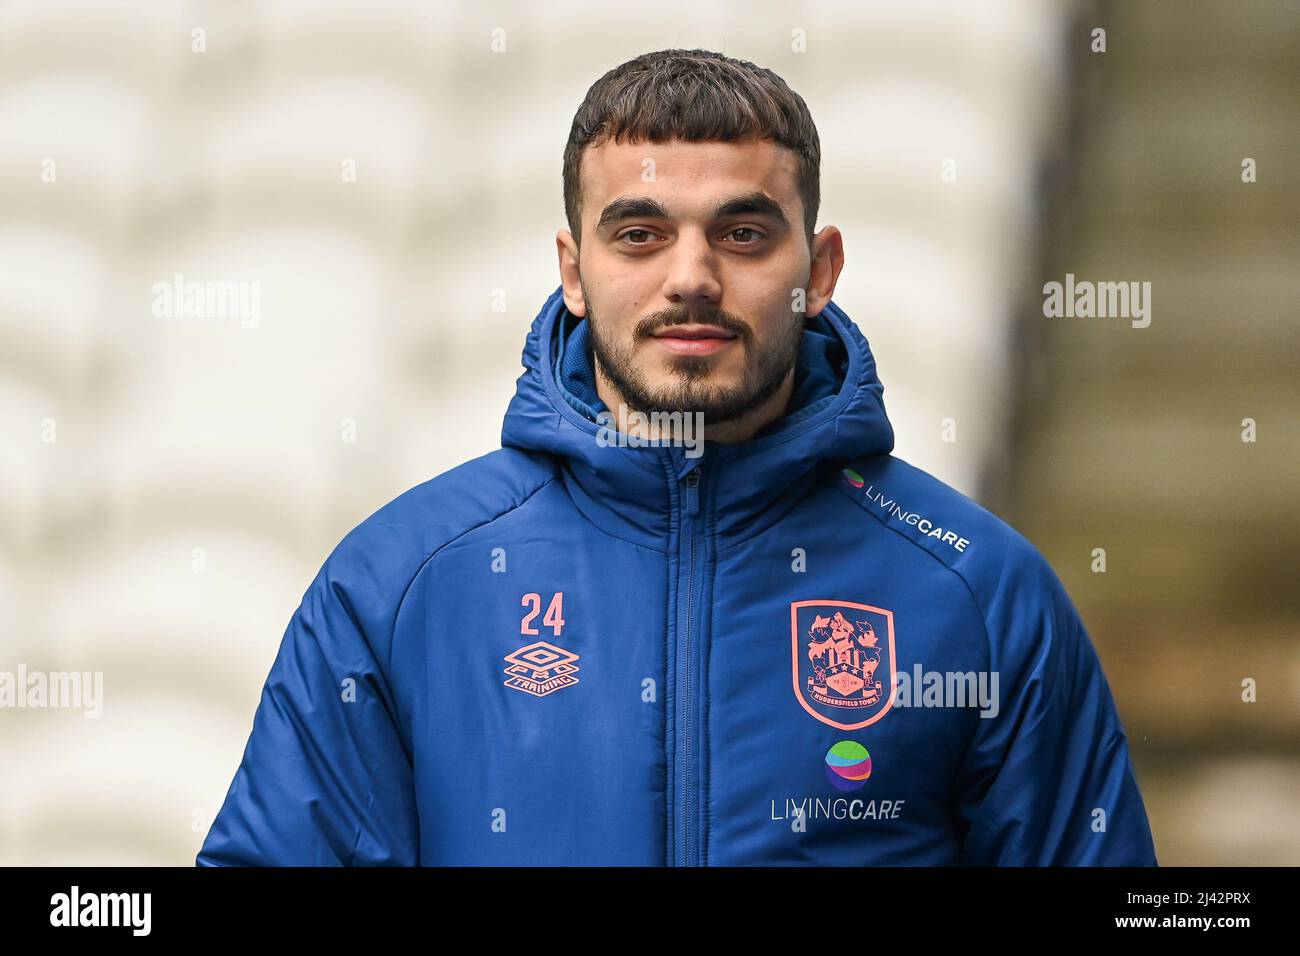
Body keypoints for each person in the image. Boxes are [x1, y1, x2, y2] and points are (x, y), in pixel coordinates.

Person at [196, 48, 1157, 866]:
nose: (691, 277)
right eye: (640, 235)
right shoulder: (401, 583)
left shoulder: (978, 591)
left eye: (742, 234)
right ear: (574, 271)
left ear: (818, 271)